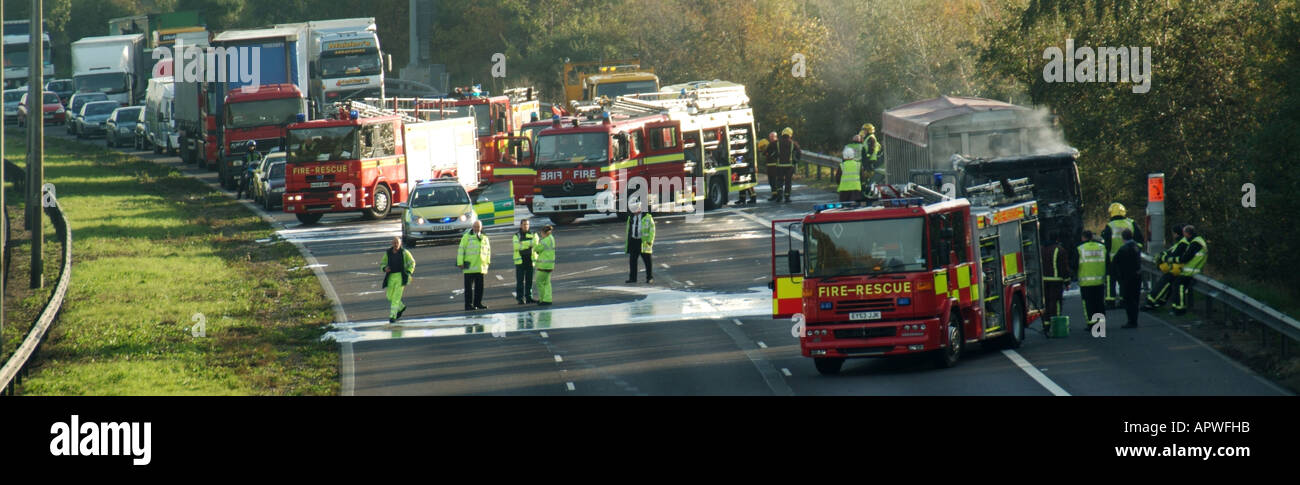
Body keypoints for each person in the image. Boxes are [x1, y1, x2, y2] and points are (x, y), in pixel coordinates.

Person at [1101, 202, 1144, 307]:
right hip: (1129, 260)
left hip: (1113, 259)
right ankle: (1123, 301)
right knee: (1123, 281)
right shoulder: (1131, 223)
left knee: (1110, 280)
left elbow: (1106, 245)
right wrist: (1136, 251)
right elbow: (1140, 240)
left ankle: (1110, 301)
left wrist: (1106, 258)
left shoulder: (1109, 226)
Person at [1143, 224, 1188, 311]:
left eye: (1174, 233)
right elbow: (1170, 252)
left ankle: (1151, 302)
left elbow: (1173, 255)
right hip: (1177, 269)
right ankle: (1159, 301)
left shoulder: (1183, 243)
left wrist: (1162, 258)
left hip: (1177, 269)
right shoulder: (1183, 241)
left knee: (1163, 284)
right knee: (1168, 286)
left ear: (1176, 234)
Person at [1171, 225, 1208, 315]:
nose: (1183, 235)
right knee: (1177, 284)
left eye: (1184, 233)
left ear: (1187, 233)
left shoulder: (1195, 243)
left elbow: (1186, 257)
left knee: (1179, 285)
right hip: (1194, 269)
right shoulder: (1197, 240)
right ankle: (1177, 308)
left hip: (1191, 271)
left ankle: (1180, 309)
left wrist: (1175, 260)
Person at [1074, 230, 1107, 331]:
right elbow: (1108, 262)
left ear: (1083, 237)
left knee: (1088, 303)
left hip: (1086, 282)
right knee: (1100, 303)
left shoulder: (1079, 249)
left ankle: (1092, 324)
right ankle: (1101, 324)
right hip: (1100, 281)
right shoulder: (1102, 247)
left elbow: (1074, 264)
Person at [380, 236, 416, 323]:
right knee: (389, 296)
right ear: (392, 244)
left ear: (400, 244)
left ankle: (393, 316)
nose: (396, 245)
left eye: (397, 243)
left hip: (401, 276)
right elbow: (382, 263)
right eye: (394, 243)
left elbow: (412, 262)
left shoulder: (404, 252)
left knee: (396, 297)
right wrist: (385, 268)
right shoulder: (388, 253)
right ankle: (401, 307)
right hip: (391, 277)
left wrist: (408, 272)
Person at [457, 220, 491, 310]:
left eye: (478, 227)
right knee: (468, 288)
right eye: (475, 226)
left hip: (480, 266)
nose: (477, 228)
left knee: (479, 287)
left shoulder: (484, 237)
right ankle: (468, 305)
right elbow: (461, 250)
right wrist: (460, 263)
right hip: (469, 266)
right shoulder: (466, 237)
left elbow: (488, 251)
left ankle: (478, 303)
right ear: (472, 227)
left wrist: (488, 262)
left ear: (481, 227)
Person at [1114, 229, 1143, 328]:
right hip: (1137, 276)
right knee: (1136, 298)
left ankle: (1131, 321)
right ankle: (1135, 320)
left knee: (1129, 299)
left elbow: (1116, 262)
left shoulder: (1123, 249)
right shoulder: (1137, 247)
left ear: (1123, 238)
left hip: (1127, 277)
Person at [1041, 232, 1070, 324]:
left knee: (1046, 302)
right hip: (1056, 281)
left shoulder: (1042, 249)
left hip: (1043, 281)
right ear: (1057, 239)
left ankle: (1046, 324)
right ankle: (1056, 324)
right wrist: (1067, 282)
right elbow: (1063, 267)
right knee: (1055, 302)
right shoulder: (1060, 250)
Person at [625, 199, 655, 283]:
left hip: (644, 242)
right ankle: (632, 278)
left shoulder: (648, 217)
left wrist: (650, 241)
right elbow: (629, 230)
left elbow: (652, 230)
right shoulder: (631, 217)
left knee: (647, 261)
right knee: (632, 261)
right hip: (634, 241)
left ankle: (649, 277)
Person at [513, 219, 539, 304]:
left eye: (527, 224)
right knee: (520, 281)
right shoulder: (516, 235)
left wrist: (523, 244)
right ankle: (520, 298)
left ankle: (529, 297)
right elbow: (516, 247)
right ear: (520, 225)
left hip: (530, 260)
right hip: (520, 261)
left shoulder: (533, 234)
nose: (526, 226)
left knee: (529, 281)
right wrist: (529, 244)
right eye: (524, 224)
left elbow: (535, 243)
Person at [773, 127, 800, 203]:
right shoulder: (793, 143)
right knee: (788, 182)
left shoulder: (777, 143)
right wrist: (796, 161)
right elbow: (799, 152)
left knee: (779, 181)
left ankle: (779, 196)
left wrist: (775, 158)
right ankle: (787, 197)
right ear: (790, 134)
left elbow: (773, 153)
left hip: (779, 166)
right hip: (789, 166)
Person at [836, 135, 865, 202]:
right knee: (855, 208)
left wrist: (841, 184)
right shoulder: (858, 165)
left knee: (844, 207)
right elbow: (862, 178)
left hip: (844, 191)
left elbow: (837, 178)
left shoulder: (842, 165)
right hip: (856, 190)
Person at [534, 225, 556, 306]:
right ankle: (548, 298)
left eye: (541, 234)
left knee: (540, 282)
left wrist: (537, 243)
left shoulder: (544, 241)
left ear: (544, 233)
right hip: (550, 265)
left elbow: (536, 249)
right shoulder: (552, 238)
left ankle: (543, 299)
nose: (541, 235)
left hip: (543, 265)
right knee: (547, 283)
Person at [761, 132, 779, 201]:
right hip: (770, 166)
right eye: (770, 137)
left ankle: (776, 195)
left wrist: (768, 154)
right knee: (772, 181)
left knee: (774, 181)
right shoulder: (772, 144)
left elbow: (766, 153)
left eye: (772, 137)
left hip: (774, 166)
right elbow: (764, 153)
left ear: (775, 137)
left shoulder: (775, 144)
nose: (770, 138)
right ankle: (775, 194)